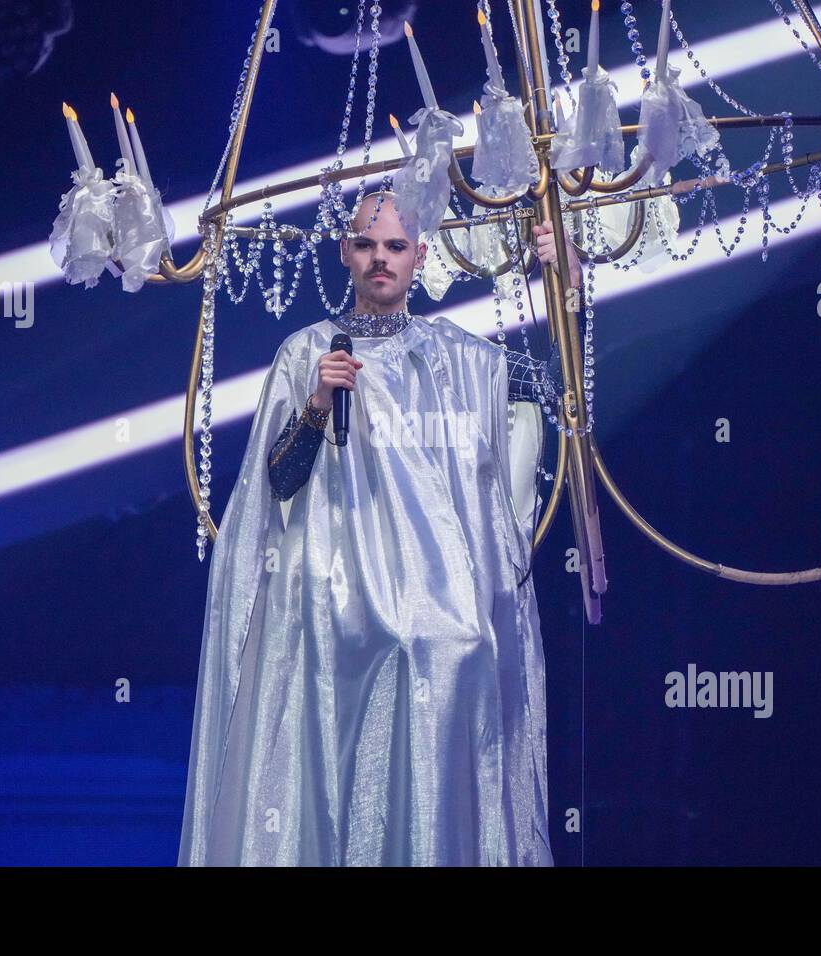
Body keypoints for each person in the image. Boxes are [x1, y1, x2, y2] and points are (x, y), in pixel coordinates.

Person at [178, 189, 581, 866]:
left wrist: (562, 286)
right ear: (345, 253)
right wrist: (316, 404)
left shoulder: (462, 358)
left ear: (420, 256)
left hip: (438, 617)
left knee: (451, 665)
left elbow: (561, 389)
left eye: (395, 246)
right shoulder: (307, 352)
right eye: (366, 244)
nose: (380, 259)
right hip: (334, 610)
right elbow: (277, 483)